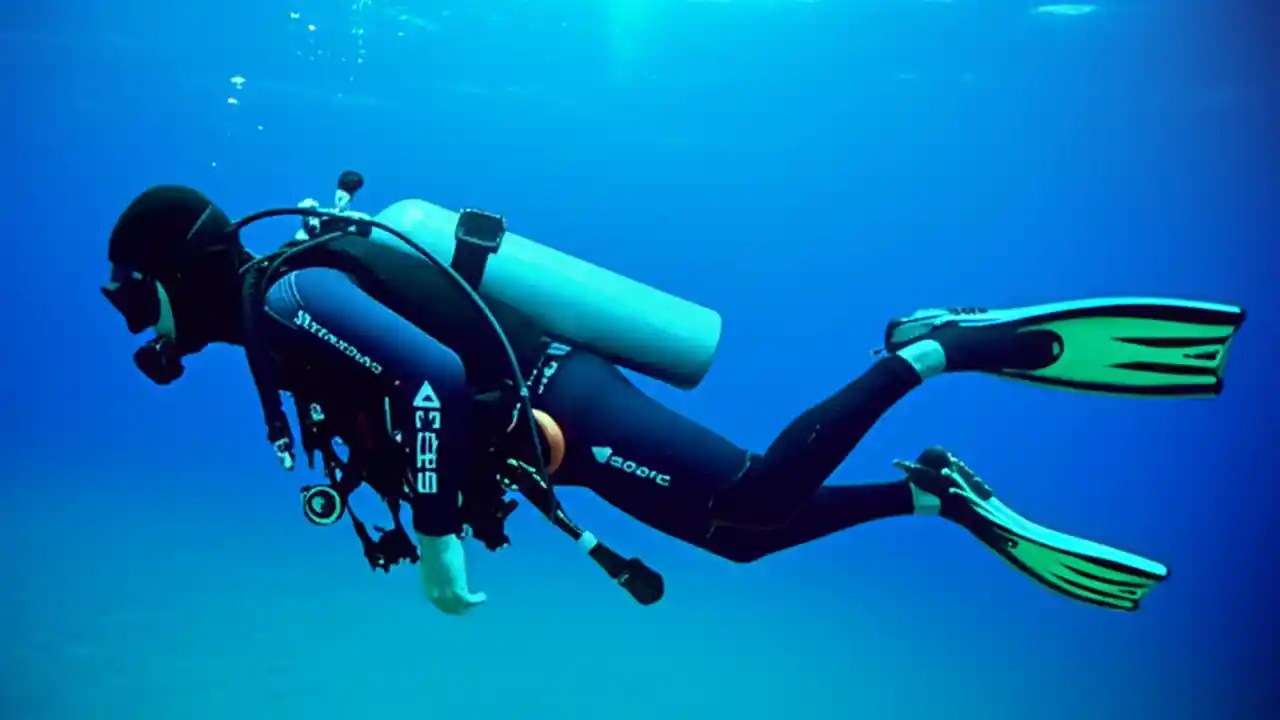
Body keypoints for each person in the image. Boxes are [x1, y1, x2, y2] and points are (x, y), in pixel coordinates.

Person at [100, 181, 1247, 616]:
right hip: (543, 430)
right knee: (738, 538)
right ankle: (930, 496)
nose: (137, 326)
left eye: (128, 299)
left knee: (752, 493)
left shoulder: (283, 299)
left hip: (558, 397)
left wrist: (439, 548)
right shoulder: (280, 301)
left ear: (166, 276)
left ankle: (930, 349)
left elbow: (435, 379)